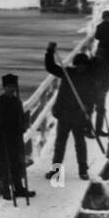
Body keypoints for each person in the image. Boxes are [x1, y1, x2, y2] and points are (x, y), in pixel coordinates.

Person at [44, 42, 97, 181]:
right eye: (78, 65)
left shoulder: (89, 79)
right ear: (75, 65)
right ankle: (56, 172)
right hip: (64, 115)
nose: (80, 68)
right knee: (59, 145)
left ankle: (83, 171)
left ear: (86, 66)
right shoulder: (68, 74)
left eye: (83, 66)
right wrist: (50, 52)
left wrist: (88, 113)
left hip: (79, 116)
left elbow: (92, 100)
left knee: (80, 144)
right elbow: (50, 67)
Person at [91, 10, 109, 136]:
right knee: (108, 65)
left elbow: (97, 37)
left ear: (103, 17)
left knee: (92, 107)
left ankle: (88, 129)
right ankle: (97, 129)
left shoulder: (99, 26)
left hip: (102, 50)